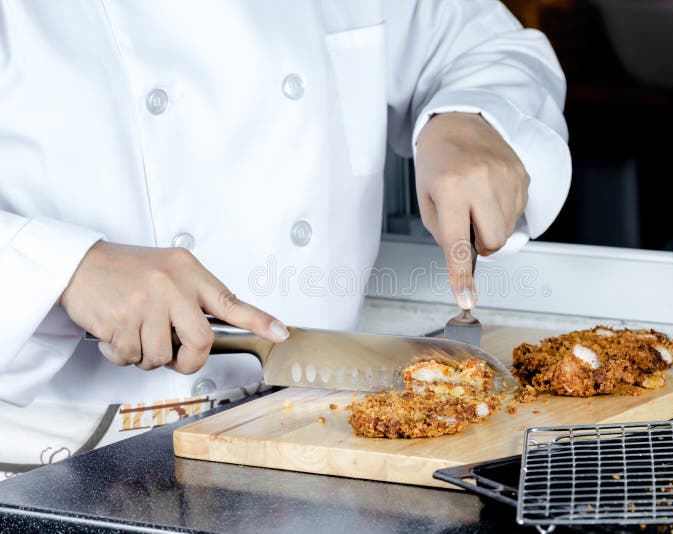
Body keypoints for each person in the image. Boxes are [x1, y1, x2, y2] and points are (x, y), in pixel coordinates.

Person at [0, 0, 570, 476]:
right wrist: (60, 268)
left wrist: (470, 118)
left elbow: (486, 45)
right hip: (69, 456)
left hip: (324, 434)